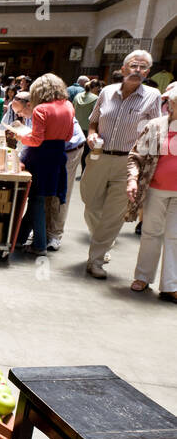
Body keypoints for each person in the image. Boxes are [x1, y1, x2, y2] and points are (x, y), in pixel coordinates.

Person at [80, 49, 162, 278]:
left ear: (148, 72)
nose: (138, 70)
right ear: (124, 69)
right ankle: (104, 239)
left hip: (128, 161)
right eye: (134, 65)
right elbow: (94, 122)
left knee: (113, 214)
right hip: (99, 156)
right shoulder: (106, 92)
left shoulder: (152, 96)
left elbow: (153, 131)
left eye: (143, 67)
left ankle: (96, 259)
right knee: (90, 202)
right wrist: (92, 135)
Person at [7, 76, 75, 255]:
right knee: (39, 199)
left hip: (40, 157)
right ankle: (20, 239)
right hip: (57, 155)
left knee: (36, 199)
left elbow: (36, 140)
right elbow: (68, 136)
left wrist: (19, 135)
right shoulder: (68, 106)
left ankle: (39, 245)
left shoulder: (41, 109)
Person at [127, 83, 177, 301]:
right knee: (151, 233)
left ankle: (171, 285)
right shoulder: (156, 126)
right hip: (156, 189)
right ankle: (143, 276)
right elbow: (136, 156)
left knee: (175, 236)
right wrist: (132, 178)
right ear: (173, 105)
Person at [46, 111, 86, 250]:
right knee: (48, 192)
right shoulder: (40, 110)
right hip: (57, 149)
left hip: (69, 151)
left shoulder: (43, 112)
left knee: (61, 193)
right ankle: (45, 230)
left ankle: (55, 235)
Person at [73, 77, 101, 171]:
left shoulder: (77, 96)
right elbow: (96, 114)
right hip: (88, 128)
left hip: (76, 127)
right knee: (86, 152)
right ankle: (84, 171)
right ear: (95, 88)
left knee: (74, 150)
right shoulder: (96, 99)